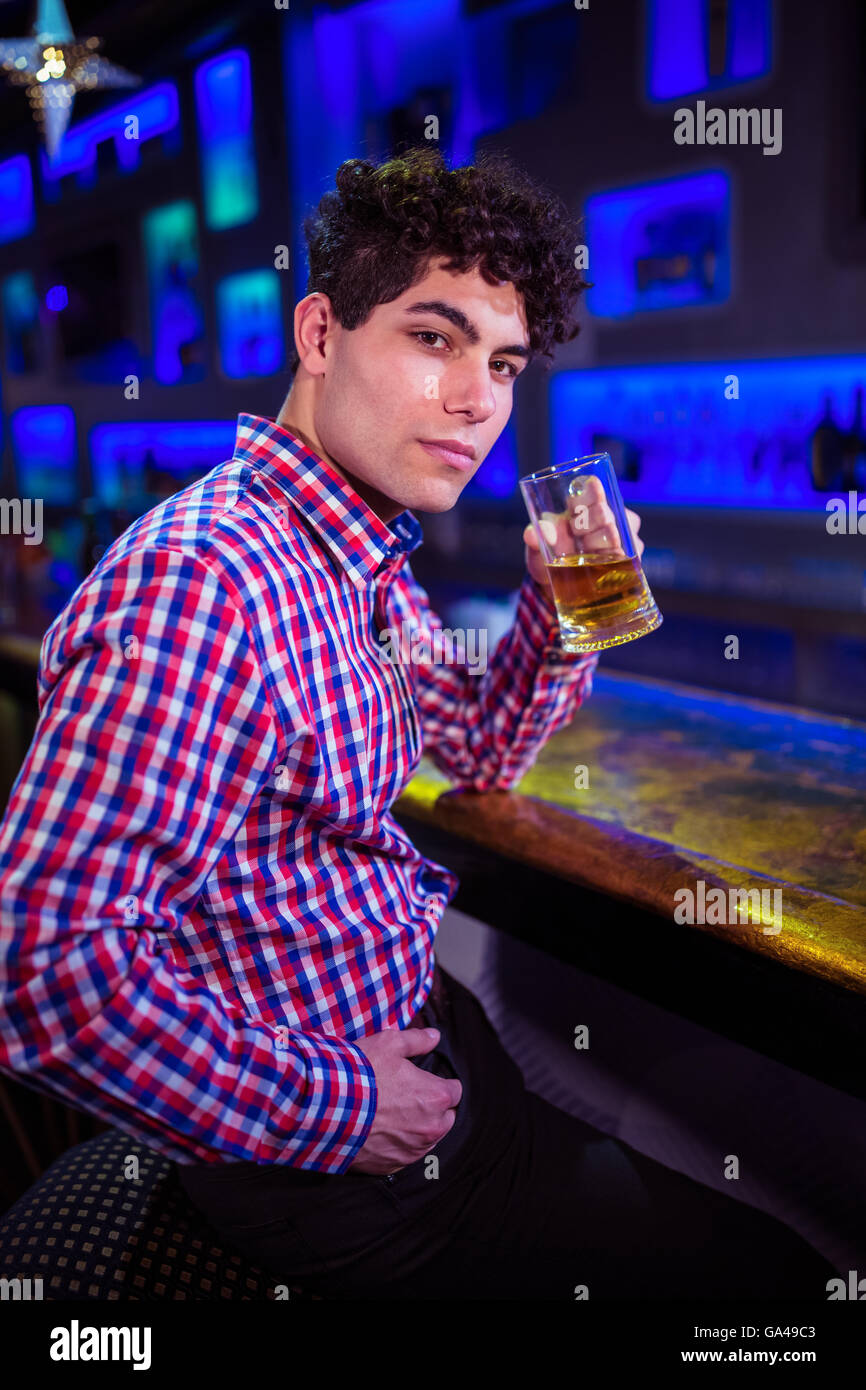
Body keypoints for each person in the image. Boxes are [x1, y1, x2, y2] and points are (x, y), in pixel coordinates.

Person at [0, 146, 837, 1300]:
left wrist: (557, 619)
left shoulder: (357, 560)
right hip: (348, 1177)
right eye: (433, 339)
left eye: (502, 361)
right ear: (319, 332)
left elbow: (484, 756)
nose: (479, 399)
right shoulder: (204, 583)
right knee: (784, 1281)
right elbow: (43, 975)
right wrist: (341, 1111)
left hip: (437, 1064)